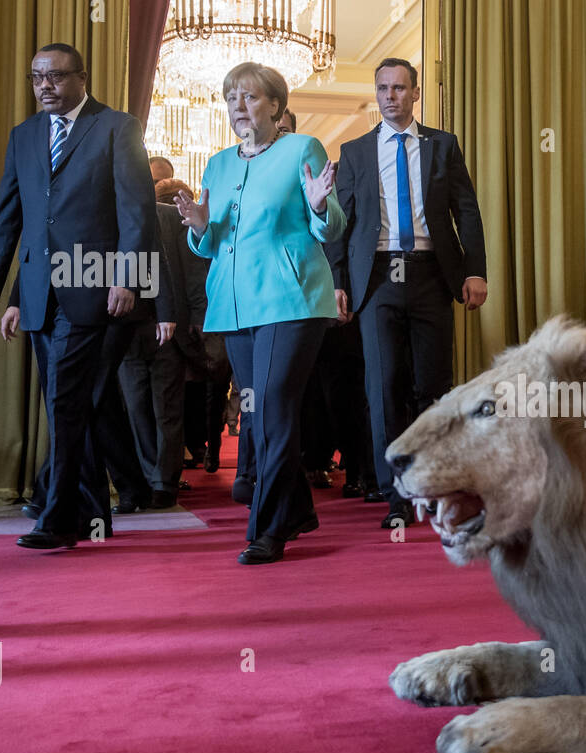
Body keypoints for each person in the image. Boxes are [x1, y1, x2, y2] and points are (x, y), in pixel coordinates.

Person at [0, 43, 170, 549]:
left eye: (55, 76)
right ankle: (93, 515)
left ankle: (57, 519)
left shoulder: (118, 127)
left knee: (66, 403)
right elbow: (11, 217)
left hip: (96, 290)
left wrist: (128, 276)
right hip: (39, 294)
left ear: (82, 77)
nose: (45, 86)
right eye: (37, 78)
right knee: (75, 406)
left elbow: (136, 212)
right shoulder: (24, 136)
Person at [176, 61, 347, 565]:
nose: (240, 108)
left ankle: (267, 528)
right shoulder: (218, 164)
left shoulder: (302, 149)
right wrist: (199, 227)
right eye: (232, 100)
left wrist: (319, 207)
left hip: (292, 299)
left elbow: (332, 228)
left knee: (271, 406)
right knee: (260, 412)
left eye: (250, 98)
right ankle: (297, 511)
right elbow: (209, 245)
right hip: (233, 303)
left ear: (276, 105)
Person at [327, 57, 488, 529]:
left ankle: (434, 485)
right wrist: (338, 281)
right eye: (382, 88)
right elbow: (340, 224)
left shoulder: (443, 146)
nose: (390, 96)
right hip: (375, 277)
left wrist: (475, 271)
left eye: (399, 88)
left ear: (416, 94)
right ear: (376, 94)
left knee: (433, 386)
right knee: (383, 385)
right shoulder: (354, 151)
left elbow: (467, 211)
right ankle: (394, 493)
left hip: (430, 274)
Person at [116, 175, 207, 505]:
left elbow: (195, 269)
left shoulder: (169, 216)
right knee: (137, 407)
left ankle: (165, 483)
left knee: (166, 408)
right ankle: (149, 476)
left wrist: (198, 316)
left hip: (167, 327)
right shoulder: (108, 215)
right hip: (124, 330)